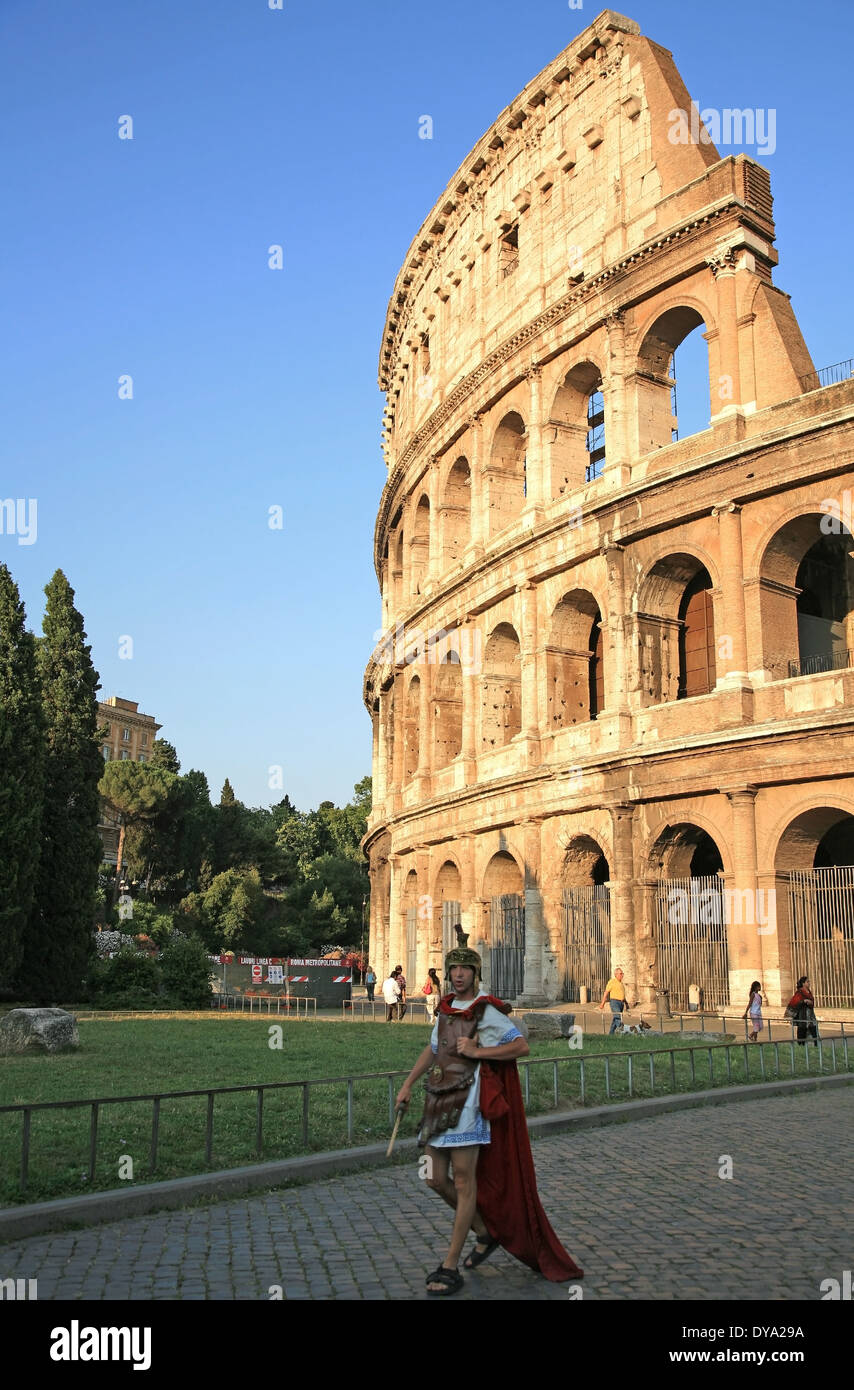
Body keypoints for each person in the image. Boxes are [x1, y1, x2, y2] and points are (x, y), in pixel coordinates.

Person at [395, 946, 584, 1297]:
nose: (459, 975)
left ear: (475, 973)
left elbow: (521, 1046)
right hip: (439, 1098)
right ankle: (484, 1230)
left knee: (466, 1183)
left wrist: (478, 1052)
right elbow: (434, 1048)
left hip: (469, 1104)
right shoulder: (446, 1008)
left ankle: (449, 1265)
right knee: (435, 1179)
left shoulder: (488, 1011)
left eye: (466, 969)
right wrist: (407, 1084)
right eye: (454, 969)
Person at [788, 976, 818, 1045]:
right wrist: (804, 1001)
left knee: (814, 1031)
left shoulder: (809, 992)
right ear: (803, 983)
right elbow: (794, 1002)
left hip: (810, 1015)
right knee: (802, 1032)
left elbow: (812, 1001)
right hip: (803, 1015)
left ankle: (816, 1046)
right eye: (807, 982)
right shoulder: (799, 992)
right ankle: (801, 1046)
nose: (809, 983)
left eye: (809, 981)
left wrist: (810, 1002)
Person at [598, 966, 628, 1034]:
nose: (622, 975)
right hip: (614, 1002)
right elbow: (606, 992)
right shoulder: (612, 982)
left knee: (615, 1018)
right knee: (618, 1017)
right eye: (620, 973)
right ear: (616, 974)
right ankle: (622, 1031)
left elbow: (622, 994)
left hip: (621, 1003)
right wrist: (602, 1003)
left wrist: (626, 1003)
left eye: (622, 973)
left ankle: (611, 1034)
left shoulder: (621, 983)